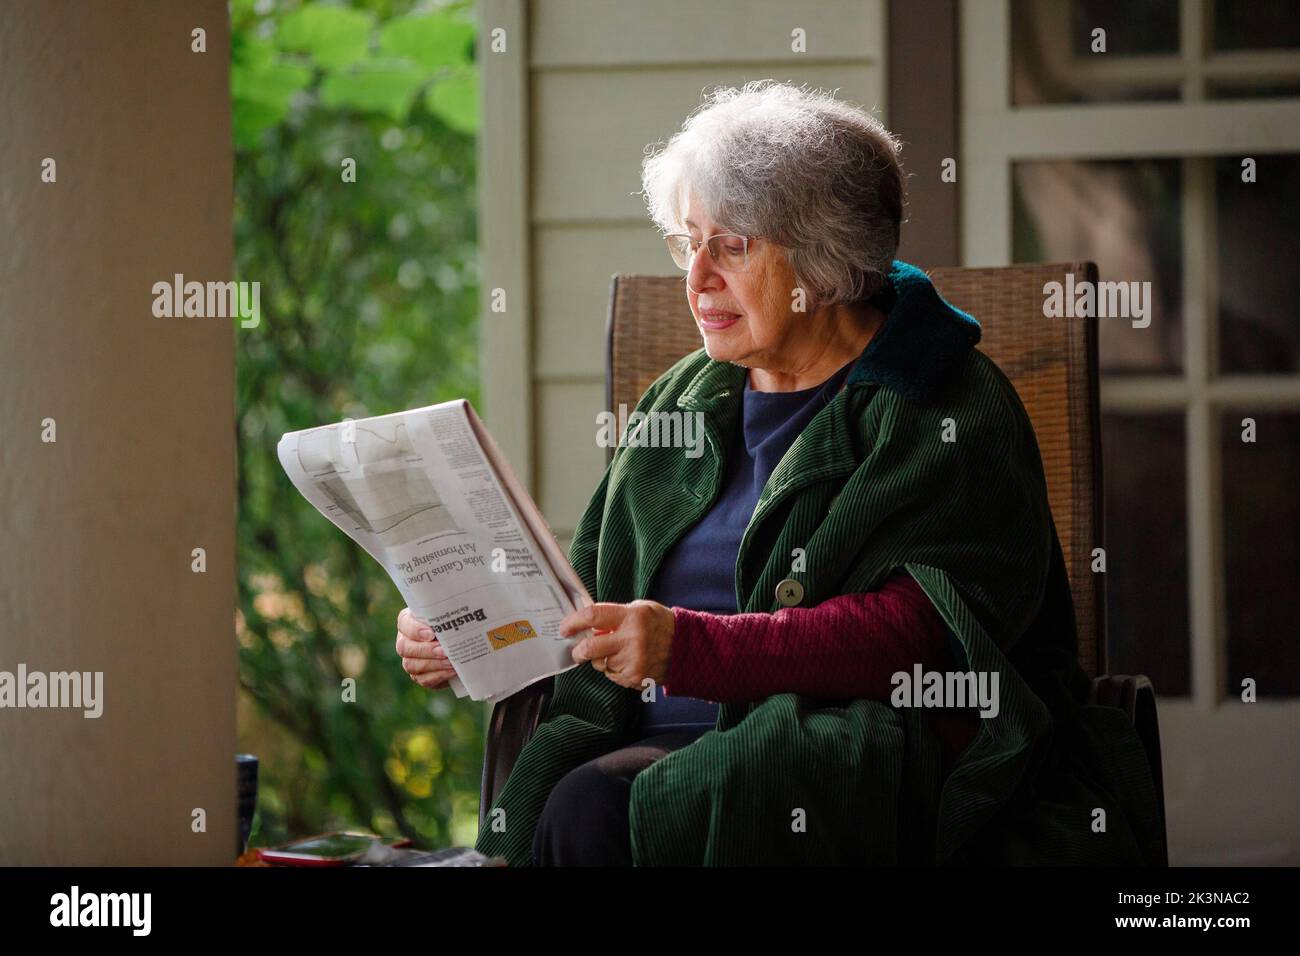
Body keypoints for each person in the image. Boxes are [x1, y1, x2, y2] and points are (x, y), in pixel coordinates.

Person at [395, 80, 1164, 867]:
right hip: (640, 743)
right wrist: (480, 631)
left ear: (825, 258)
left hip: (866, 751)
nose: (694, 280)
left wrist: (691, 650)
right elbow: (591, 593)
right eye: (686, 240)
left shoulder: (945, 400)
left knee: (596, 808)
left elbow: (923, 636)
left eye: (731, 246)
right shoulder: (683, 398)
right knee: (581, 799)